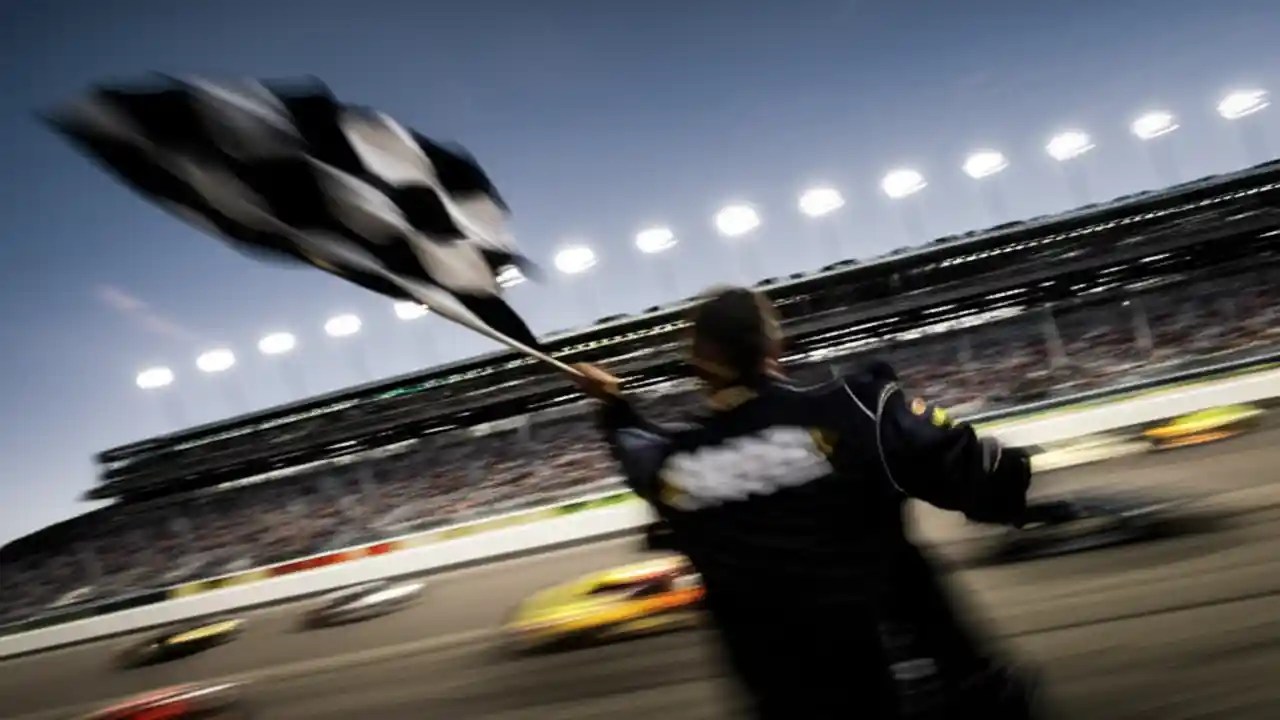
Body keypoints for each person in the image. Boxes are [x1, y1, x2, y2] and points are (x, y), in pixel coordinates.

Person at [571, 286, 1041, 719]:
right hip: (922, 691)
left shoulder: (672, 470)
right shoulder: (858, 410)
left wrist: (612, 406)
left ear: (698, 365)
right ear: (773, 346)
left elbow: (636, 449)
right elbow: (990, 483)